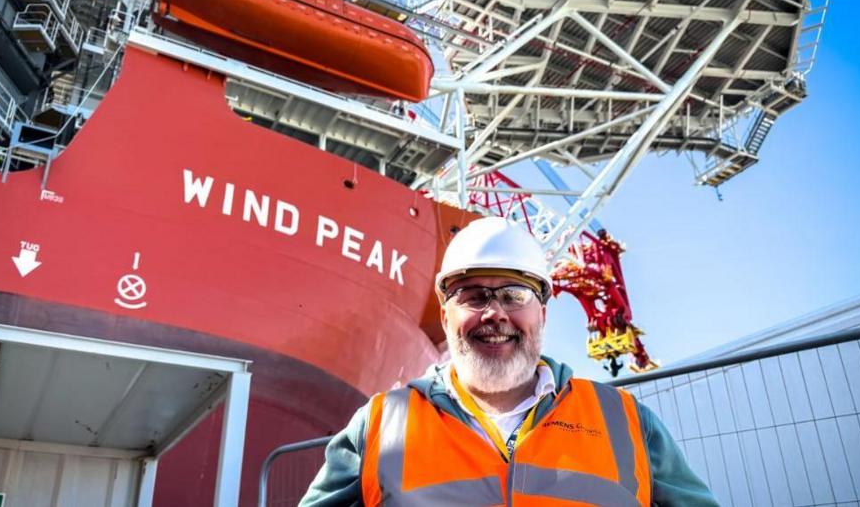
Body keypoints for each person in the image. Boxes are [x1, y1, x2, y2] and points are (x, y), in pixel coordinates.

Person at [300, 217, 718, 506]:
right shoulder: (378, 425)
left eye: (514, 295)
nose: (494, 313)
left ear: (543, 315)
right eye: (473, 295)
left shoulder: (628, 423)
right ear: (446, 318)